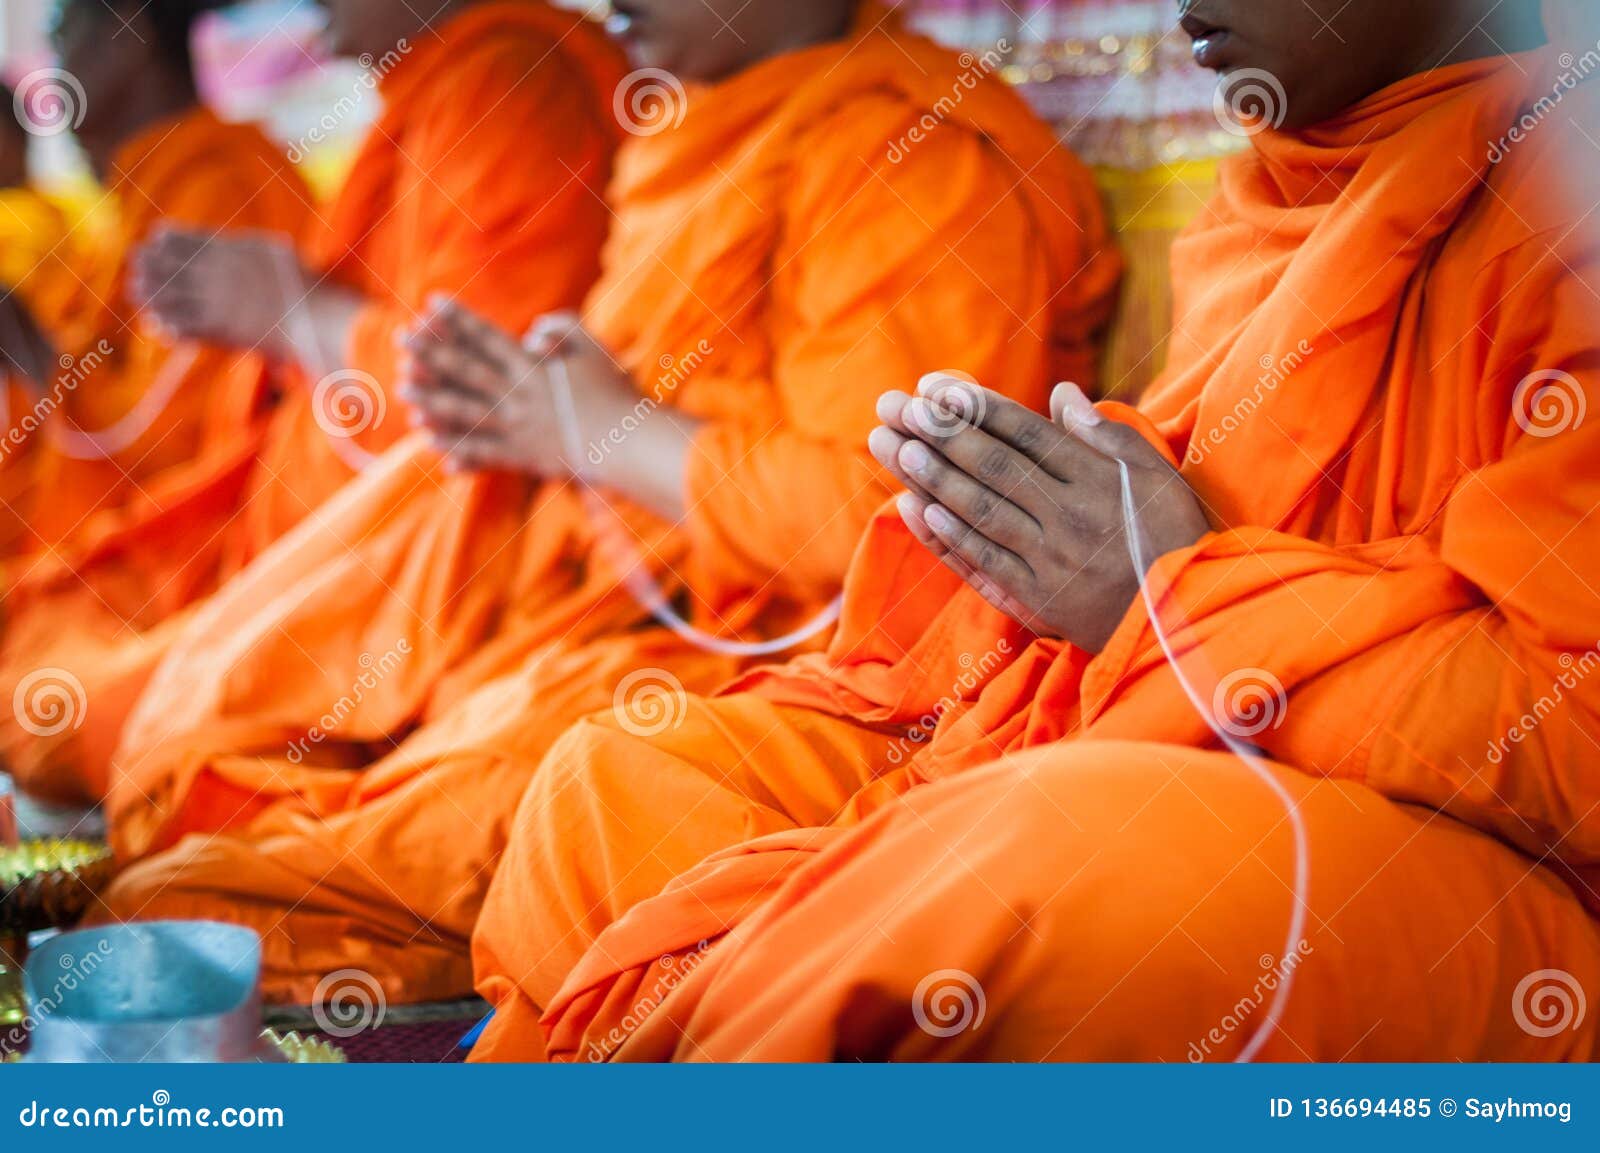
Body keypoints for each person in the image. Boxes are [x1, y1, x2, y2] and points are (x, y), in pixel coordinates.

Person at [469, 0, 1600, 1061]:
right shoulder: (1272, 196)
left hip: (1481, 860)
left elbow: (1575, 739)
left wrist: (1167, 593)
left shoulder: (1570, 204)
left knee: (1017, 859)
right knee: (610, 779)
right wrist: (1021, 538)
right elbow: (1138, 556)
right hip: (1134, 726)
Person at [94, 0, 1122, 1010]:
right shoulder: (694, 128)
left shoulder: (914, 157)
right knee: (186, 763)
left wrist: (592, 427)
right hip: (582, 611)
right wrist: (549, 408)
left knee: (200, 894)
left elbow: (890, 522)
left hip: (778, 672)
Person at [2, 0, 625, 803]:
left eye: (72, 34)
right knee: (45, 644)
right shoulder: (423, 100)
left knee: (83, 722)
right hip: (286, 540)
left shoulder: (511, 90)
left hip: (408, 577)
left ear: (140, 34)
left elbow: (487, 404)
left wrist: (291, 313)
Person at [0, 0, 313, 803]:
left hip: (205, 556)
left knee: (47, 708)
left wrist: (50, 376)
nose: (55, 61)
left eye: (68, 31)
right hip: (138, 550)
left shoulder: (218, 185)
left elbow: (175, 441)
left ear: (133, 34)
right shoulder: (150, 190)